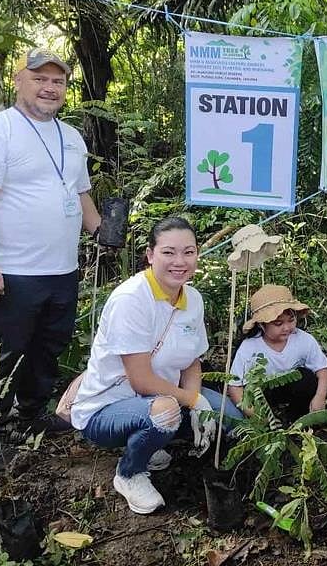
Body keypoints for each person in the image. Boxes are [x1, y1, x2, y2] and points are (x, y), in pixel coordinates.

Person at [0, 47, 101, 476]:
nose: (49, 88)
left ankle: (32, 412)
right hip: (15, 270)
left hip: (62, 268)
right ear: (19, 80)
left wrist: (103, 231)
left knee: (49, 345)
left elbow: (79, 194)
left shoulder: (71, 137)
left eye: (57, 81)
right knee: (5, 353)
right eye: (40, 78)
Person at [70, 217, 243, 514]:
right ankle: (129, 473)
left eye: (188, 252)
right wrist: (194, 400)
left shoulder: (193, 298)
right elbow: (141, 381)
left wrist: (198, 406)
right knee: (166, 413)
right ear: (150, 255)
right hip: (109, 406)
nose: (180, 261)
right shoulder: (131, 299)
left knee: (229, 419)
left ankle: (152, 444)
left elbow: (191, 362)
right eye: (168, 252)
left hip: (161, 398)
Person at [229, 285, 327, 420]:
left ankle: (295, 420)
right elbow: (235, 386)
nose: (287, 327)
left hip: (293, 391)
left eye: (291, 320)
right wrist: (256, 415)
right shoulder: (249, 347)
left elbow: (322, 368)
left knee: (306, 377)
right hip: (263, 396)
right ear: (261, 325)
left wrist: (320, 397)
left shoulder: (303, 339)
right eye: (278, 323)